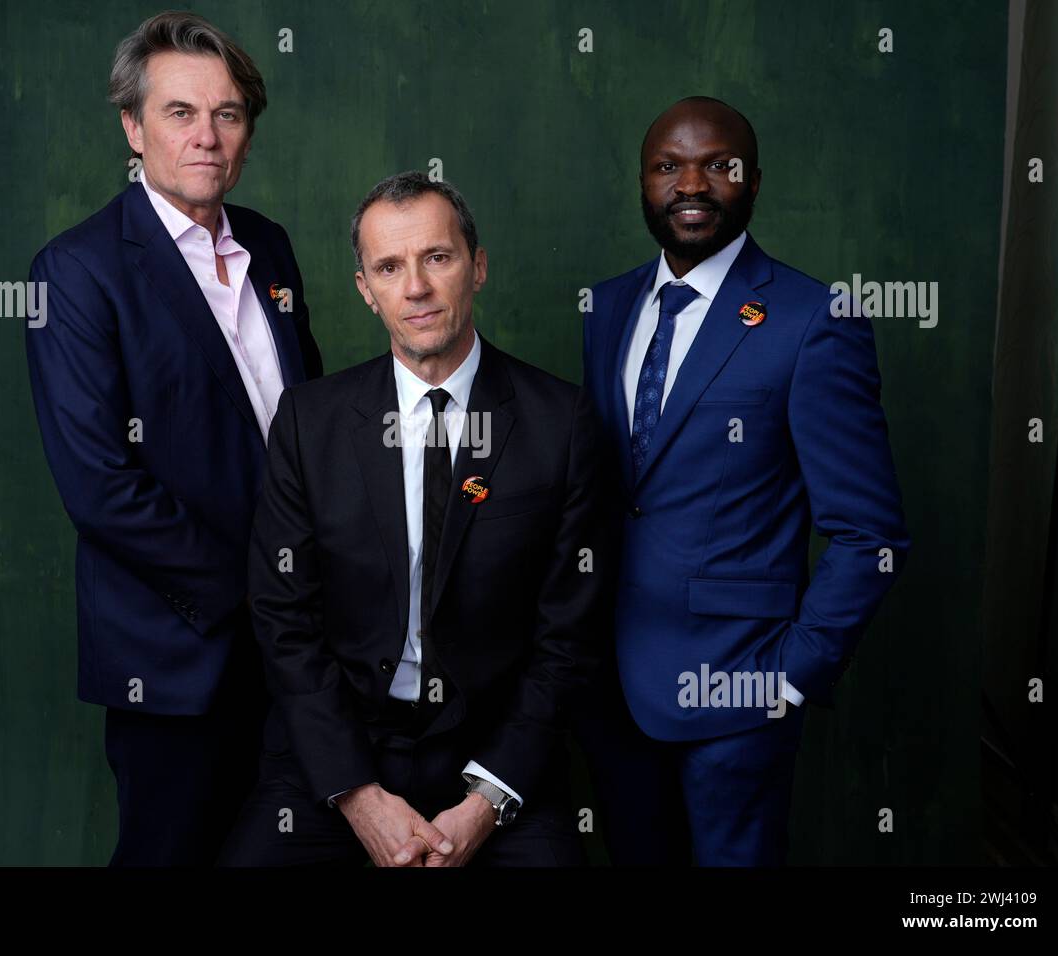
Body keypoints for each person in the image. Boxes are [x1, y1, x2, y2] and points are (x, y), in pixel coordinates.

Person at [220, 171, 613, 866]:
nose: (417, 288)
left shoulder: (562, 423)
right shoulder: (311, 424)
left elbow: (569, 637)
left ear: (478, 266)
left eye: (438, 257)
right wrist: (360, 797)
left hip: (497, 753)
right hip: (340, 750)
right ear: (365, 289)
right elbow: (283, 620)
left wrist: (485, 802)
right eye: (390, 267)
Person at [577, 96, 909, 865]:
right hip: (609, 688)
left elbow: (872, 535)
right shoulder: (610, 305)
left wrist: (789, 680)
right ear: (642, 183)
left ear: (753, 181)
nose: (691, 184)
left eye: (717, 165)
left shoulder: (815, 318)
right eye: (668, 167)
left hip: (738, 691)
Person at [24, 11, 321, 865]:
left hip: (298, 641)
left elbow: (304, 421)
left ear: (248, 133)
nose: (206, 135)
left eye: (227, 114)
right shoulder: (77, 272)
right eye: (180, 112)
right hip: (176, 651)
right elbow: (99, 487)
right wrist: (257, 592)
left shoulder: (269, 245)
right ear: (133, 126)